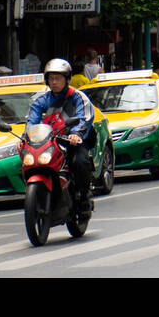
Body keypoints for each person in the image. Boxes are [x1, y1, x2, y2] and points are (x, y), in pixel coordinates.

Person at [25, 58, 95, 214]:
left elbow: (85, 118)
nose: (54, 82)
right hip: (50, 142)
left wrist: (76, 134)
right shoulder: (41, 101)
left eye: (58, 78)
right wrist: (25, 139)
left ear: (67, 79)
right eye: (51, 78)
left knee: (79, 162)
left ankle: (84, 198)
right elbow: (32, 121)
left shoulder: (78, 97)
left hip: (73, 141)